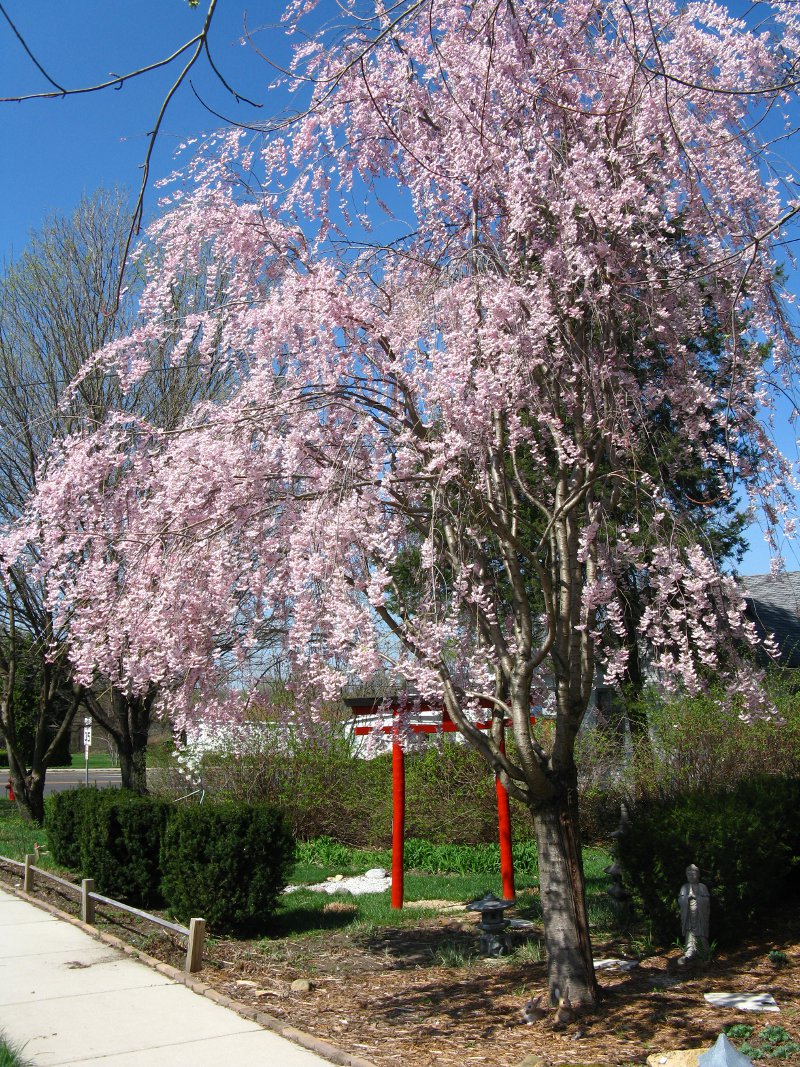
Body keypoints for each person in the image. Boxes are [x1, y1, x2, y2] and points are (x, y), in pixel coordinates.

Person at [678, 863, 710, 963]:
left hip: (699, 914)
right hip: (688, 914)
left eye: (693, 874)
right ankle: (689, 951)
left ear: (698, 875)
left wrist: (697, 897)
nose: (691, 877)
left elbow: (707, 901)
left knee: (700, 931)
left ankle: (702, 951)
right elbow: (680, 899)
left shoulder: (702, 887)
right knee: (689, 930)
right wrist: (686, 898)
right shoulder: (684, 887)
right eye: (689, 875)